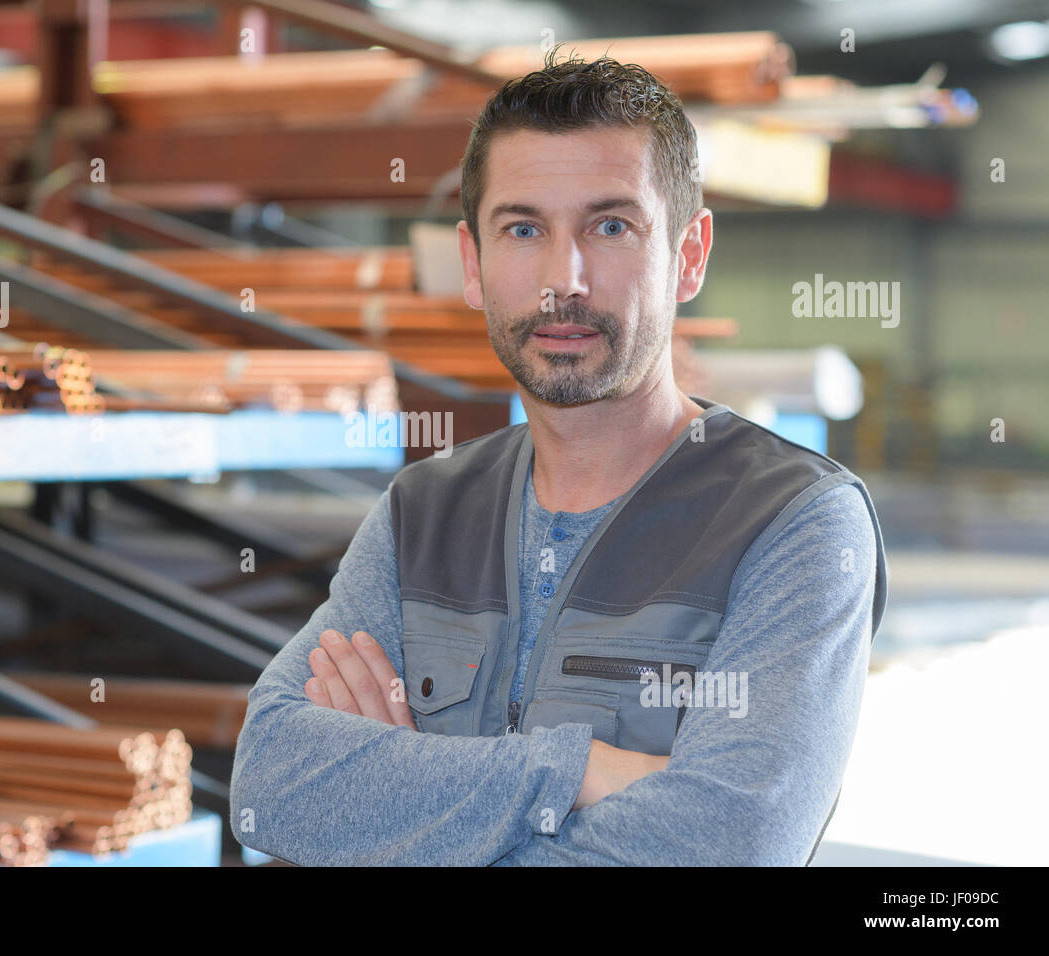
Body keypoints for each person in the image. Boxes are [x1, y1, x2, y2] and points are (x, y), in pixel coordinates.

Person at [228, 48, 888, 866]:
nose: (561, 280)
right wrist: (577, 769)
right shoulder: (423, 514)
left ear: (689, 254)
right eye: (523, 228)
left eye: (610, 226)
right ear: (472, 264)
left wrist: (405, 811)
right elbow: (273, 786)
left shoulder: (793, 523)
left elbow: (731, 843)